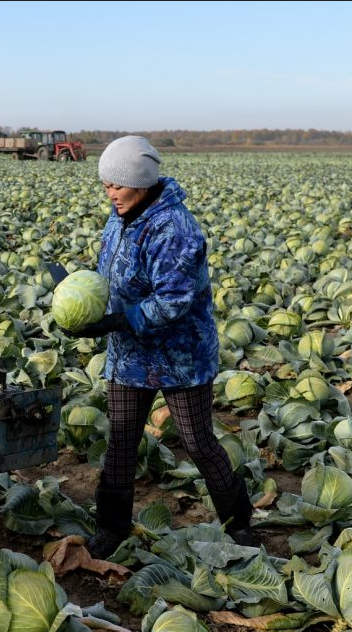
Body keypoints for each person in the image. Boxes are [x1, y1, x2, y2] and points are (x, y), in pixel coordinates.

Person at [68, 136, 256, 557]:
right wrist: (89, 308)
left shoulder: (175, 228)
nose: (110, 193)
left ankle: (239, 522)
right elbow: (111, 275)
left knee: (197, 440)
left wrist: (119, 318)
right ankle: (111, 528)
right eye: (105, 185)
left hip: (179, 356)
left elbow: (173, 300)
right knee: (120, 442)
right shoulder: (120, 218)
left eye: (117, 184)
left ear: (141, 182)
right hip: (131, 355)